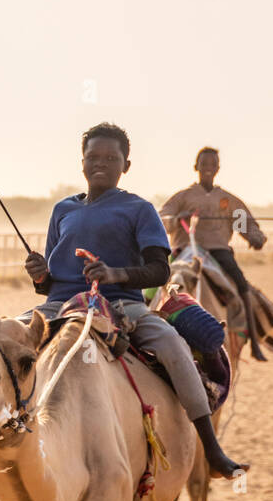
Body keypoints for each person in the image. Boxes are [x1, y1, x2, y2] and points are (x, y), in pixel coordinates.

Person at [21, 122, 247, 479]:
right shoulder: (62, 210)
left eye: (111, 157)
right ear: (81, 163)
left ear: (126, 165)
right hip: (60, 307)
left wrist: (115, 275)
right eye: (93, 156)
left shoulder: (139, 209)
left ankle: (211, 448)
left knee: (173, 346)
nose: (101, 163)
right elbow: (50, 284)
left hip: (125, 306)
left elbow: (160, 271)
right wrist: (39, 275)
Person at [160, 146, 268, 360]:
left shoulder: (228, 200)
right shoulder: (183, 197)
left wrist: (256, 237)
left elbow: (245, 223)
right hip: (185, 251)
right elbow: (162, 219)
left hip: (218, 252)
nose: (208, 168)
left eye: (212, 164)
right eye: (204, 164)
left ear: (218, 168)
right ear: (196, 167)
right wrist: (177, 218)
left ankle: (254, 342)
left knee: (241, 285)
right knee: (155, 282)